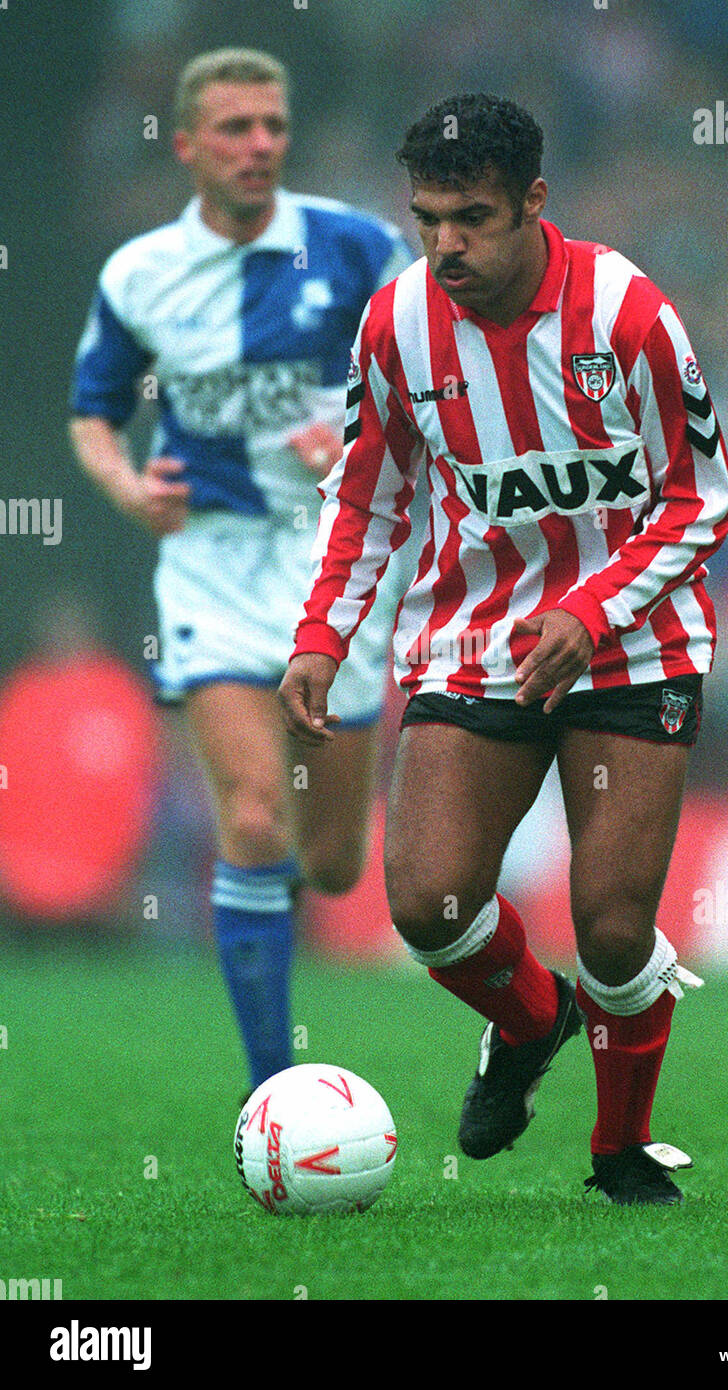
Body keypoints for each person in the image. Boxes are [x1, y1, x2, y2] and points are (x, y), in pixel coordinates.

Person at [279, 94, 728, 1205]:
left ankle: (618, 1149)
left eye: (471, 218)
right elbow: (368, 495)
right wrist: (322, 634)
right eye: (428, 219)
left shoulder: (626, 313)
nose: (446, 245)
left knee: (615, 925)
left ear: (534, 201)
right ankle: (533, 1023)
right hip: (472, 638)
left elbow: (699, 497)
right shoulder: (396, 324)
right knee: (428, 904)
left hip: (629, 643)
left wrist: (589, 610)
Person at [69, 49, 414, 1094]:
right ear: (186, 146)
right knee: (252, 816)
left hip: (336, 566)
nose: (259, 143)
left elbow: (442, 376)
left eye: (272, 124)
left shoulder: (357, 248)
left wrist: (360, 435)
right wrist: (129, 487)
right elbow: (93, 410)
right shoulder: (139, 274)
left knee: (334, 861)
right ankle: (274, 1092)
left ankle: (314, 882)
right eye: (234, 128)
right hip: (212, 565)